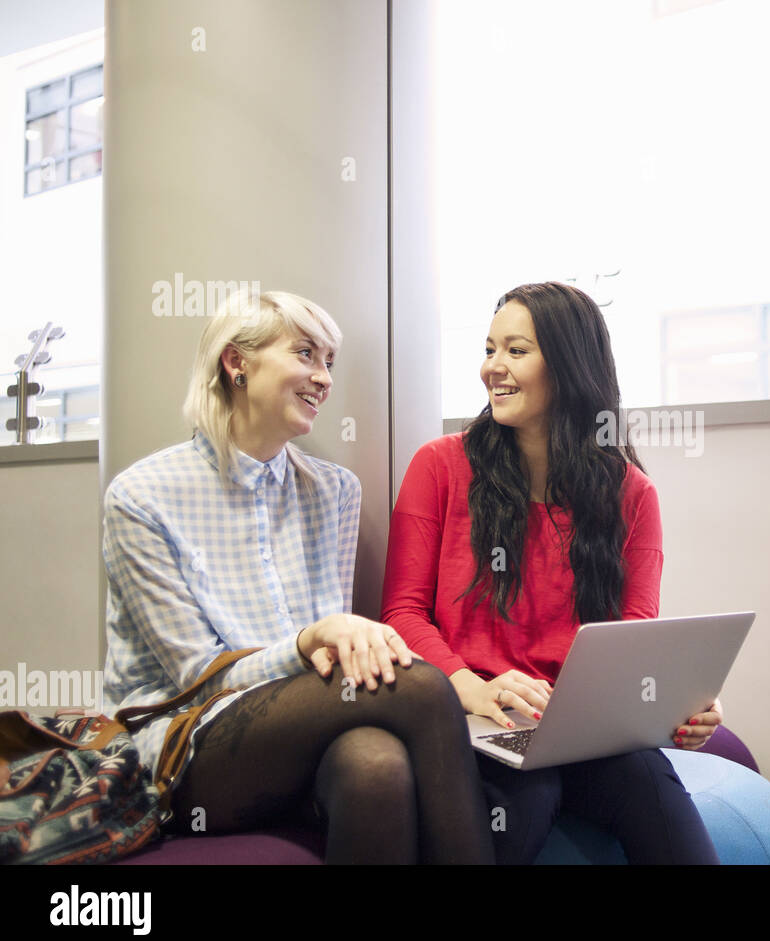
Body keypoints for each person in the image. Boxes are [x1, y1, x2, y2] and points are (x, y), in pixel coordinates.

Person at [101, 290, 493, 864]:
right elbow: (195, 679)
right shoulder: (141, 497)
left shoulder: (333, 491)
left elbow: (339, 663)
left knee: (374, 763)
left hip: (306, 728)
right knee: (421, 684)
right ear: (237, 363)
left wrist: (336, 646)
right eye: (306, 354)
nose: (324, 378)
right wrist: (309, 641)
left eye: (329, 361)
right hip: (186, 743)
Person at [382, 281, 721, 864]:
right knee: (526, 797)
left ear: (568, 365)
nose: (493, 368)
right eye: (490, 349)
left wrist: (675, 707)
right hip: (479, 718)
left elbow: (633, 639)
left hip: (582, 728)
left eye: (516, 351)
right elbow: (402, 612)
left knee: (652, 791)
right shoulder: (439, 465)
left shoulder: (632, 495)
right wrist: (471, 687)